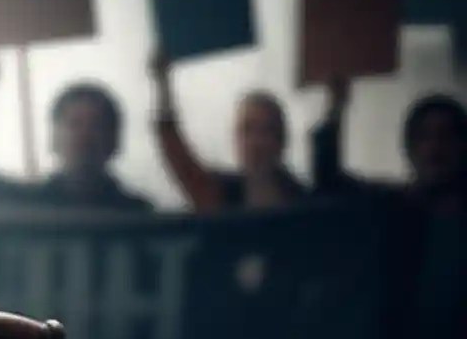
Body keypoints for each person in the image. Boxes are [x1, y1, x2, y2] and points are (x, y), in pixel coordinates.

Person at [0, 54, 151, 212]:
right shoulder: (27, 208)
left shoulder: (139, 216)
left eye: (97, 125)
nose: (85, 135)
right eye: (74, 124)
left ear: (114, 141)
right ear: (53, 139)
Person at [149, 53, 305, 212]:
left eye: (266, 131)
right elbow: (182, 165)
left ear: (282, 139)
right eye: (247, 130)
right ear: (236, 138)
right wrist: (163, 85)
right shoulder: (222, 193)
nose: (255, 142)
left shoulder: (306, 204)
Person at [313, 80, 467, 217]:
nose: (435, 146)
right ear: (410, 147)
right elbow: (331, 181)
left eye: (446, 136)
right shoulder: (394, 204)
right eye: (423, 136)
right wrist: (335, 112)